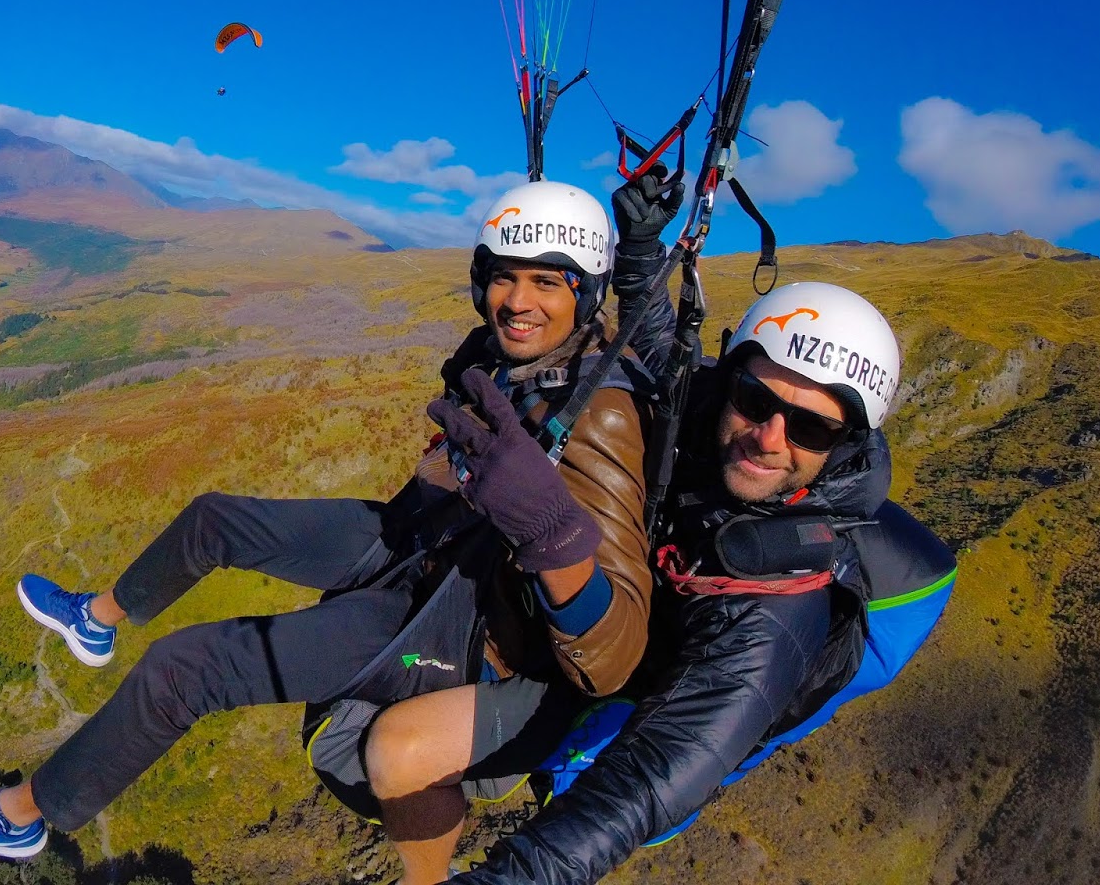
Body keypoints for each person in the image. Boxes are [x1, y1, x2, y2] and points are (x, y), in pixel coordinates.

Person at [0, 177, 682, 871]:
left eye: (549, 282)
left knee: (187, 667)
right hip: (421, 538)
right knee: (215, 520)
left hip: (459, 622)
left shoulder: (600, 414)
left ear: (585, 294)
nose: (520, 301)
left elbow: (613, 654)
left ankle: (19, 819)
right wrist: (641, 253)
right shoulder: (513, 354)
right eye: (505, 278)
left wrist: (546, 530)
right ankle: (96, 620)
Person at [388, 279, 951, 885]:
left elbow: (651, 777)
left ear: (845, 448)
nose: (768, 438)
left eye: (812, 430)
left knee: (572, 772)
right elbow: (670, 363)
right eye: (755, 400)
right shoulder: (714, 409)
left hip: (698, 686)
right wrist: (639, 266)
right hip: (667, 604)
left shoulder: (780, 614)